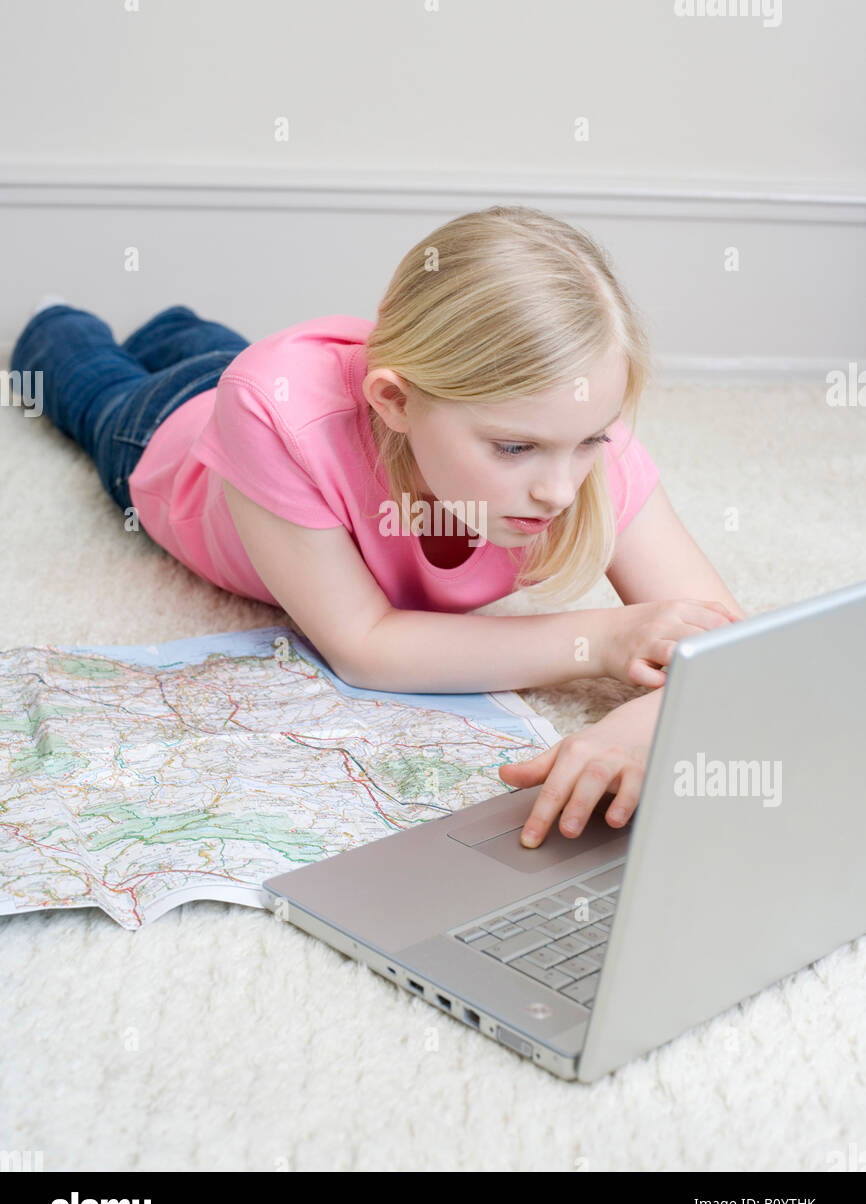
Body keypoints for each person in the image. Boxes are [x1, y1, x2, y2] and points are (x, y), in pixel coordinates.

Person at [9, 205, 744, 849]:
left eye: (592, 439)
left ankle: (179, 327)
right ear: (395, 402)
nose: (559, 489)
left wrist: (633, 731)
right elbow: (367, 646)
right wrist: (608, 640)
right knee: (99, 383)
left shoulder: (571, 432)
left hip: (284, 384)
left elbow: (730, 650)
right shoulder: (272, 413)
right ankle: (55, 322)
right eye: (514, 448)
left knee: (207, 344)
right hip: (169, 435)